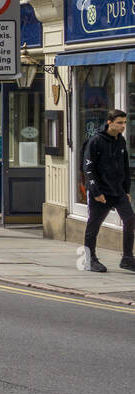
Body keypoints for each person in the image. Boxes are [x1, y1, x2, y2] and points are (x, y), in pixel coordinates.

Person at [82, 108, 135, 273]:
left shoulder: (121, 141)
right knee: (94, 226)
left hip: (118, 191)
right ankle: (90, 260)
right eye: (119, 123)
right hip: (101, 192)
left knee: (130, 220)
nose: (123, 126)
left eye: (125, 123)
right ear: (109, 122)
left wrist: (126, 189)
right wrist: (96, 192)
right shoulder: (95, 141)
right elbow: (88, 168)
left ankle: (127, 258)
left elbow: (125, 167)